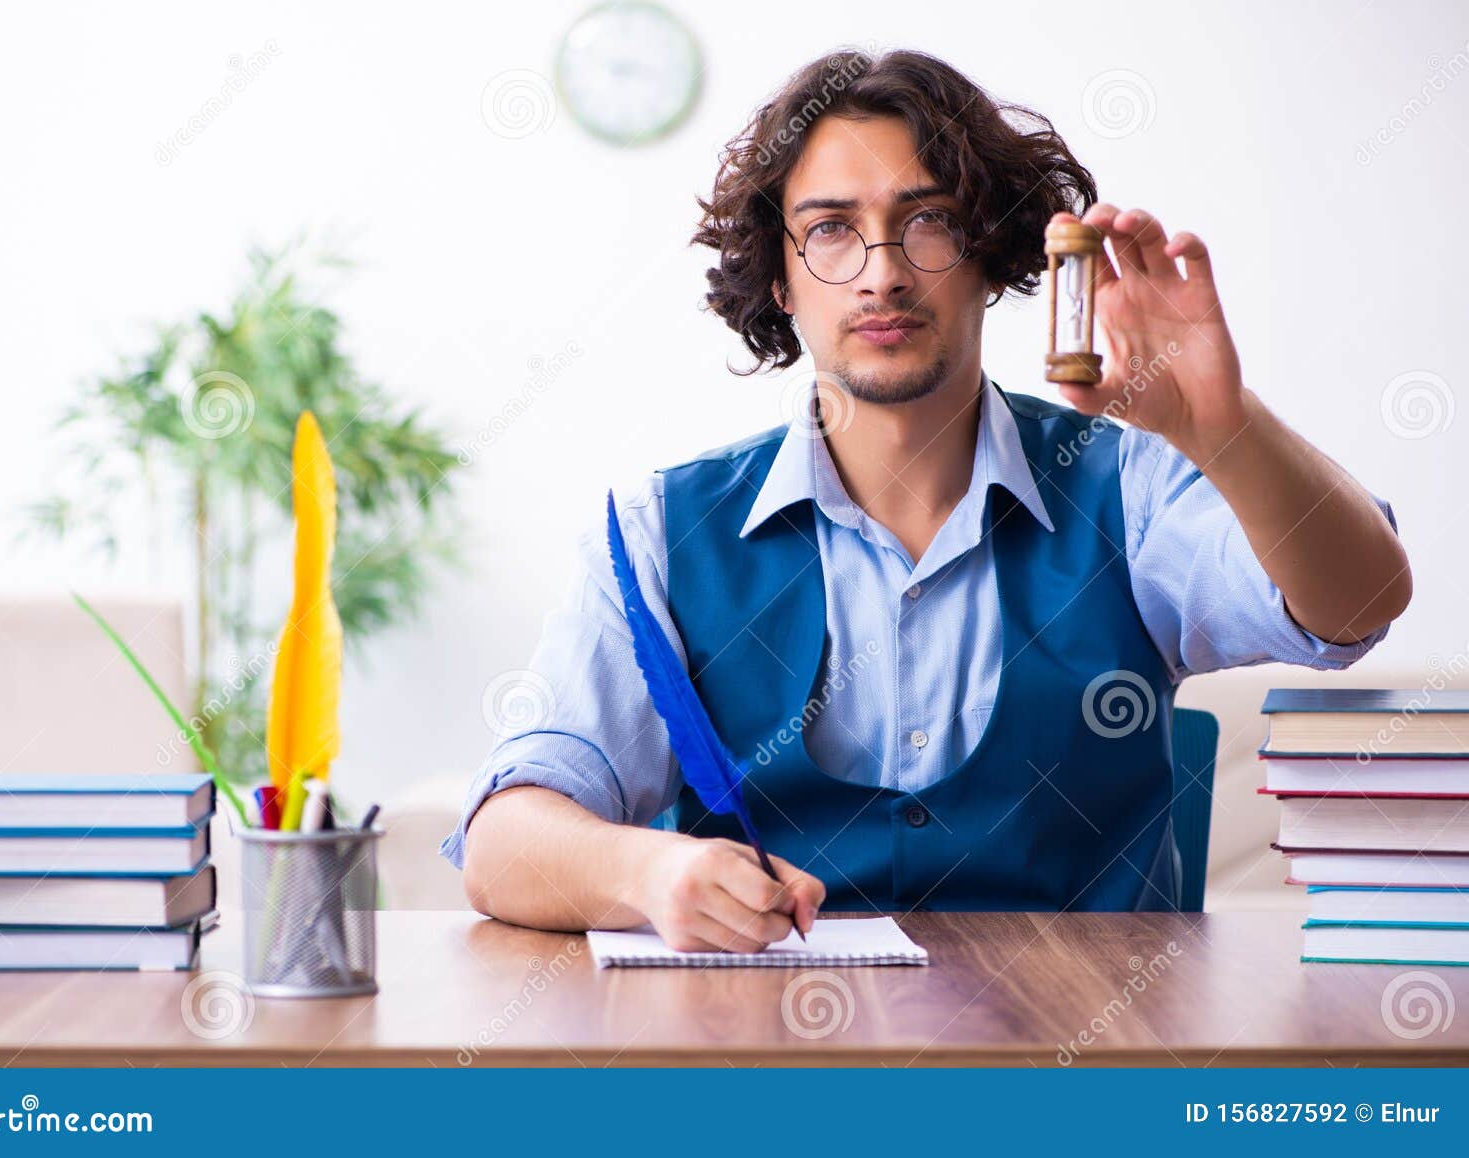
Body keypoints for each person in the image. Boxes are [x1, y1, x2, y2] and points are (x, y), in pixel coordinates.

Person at [439, 48, 1410, 952]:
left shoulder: (1130, 484)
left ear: (990, 250)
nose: (882, 272)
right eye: (829, 231)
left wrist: (1224, 428)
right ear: (779, 277)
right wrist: (644, 870)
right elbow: (503, 840)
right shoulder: (660, 534)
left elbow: (1356, 605)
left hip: (1089, 1082)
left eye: (929, 223)